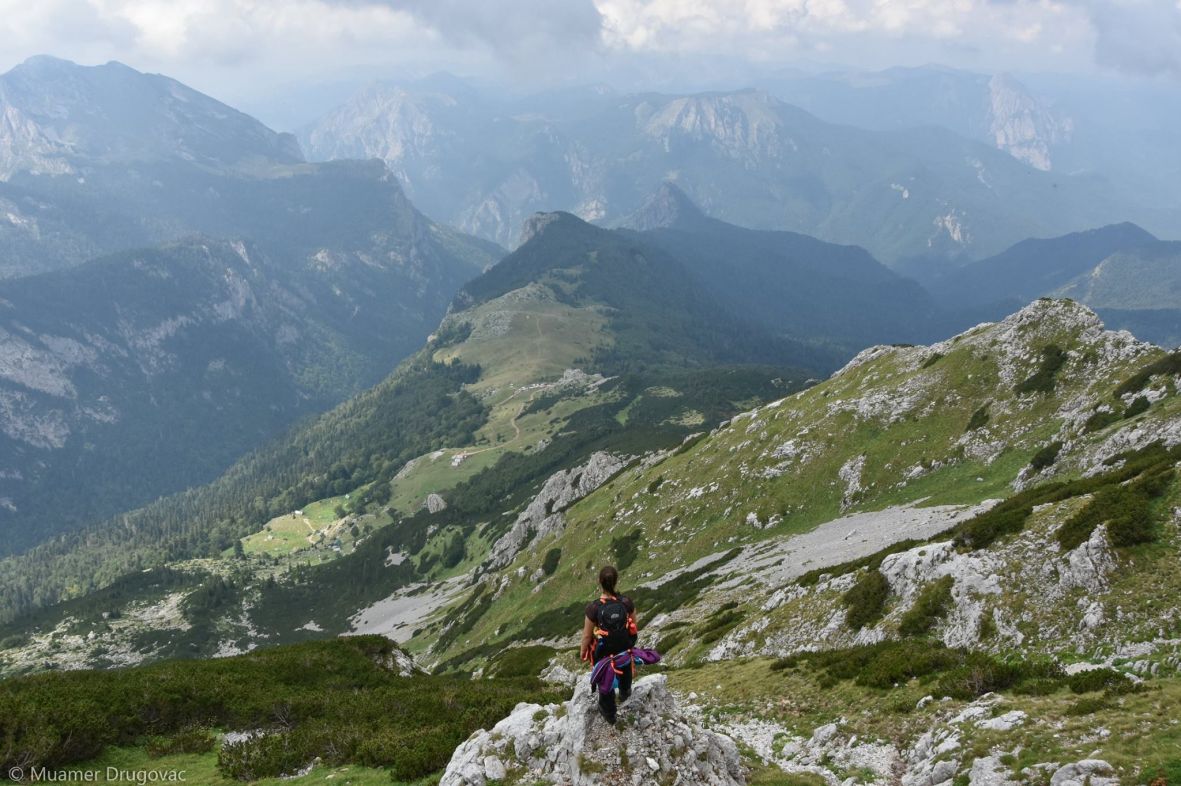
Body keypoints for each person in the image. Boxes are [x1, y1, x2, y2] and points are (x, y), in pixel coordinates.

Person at [581, 565, 638, 724]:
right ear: (616, 581)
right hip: (624, 649)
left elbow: (586, 636)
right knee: (625, 669)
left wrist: (583, 652)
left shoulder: (594, 608)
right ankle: (625, 692)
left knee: (605, 680)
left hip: (604, 652)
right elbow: (633, 626)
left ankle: (609, 713)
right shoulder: (626, 602)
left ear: (600, 581)